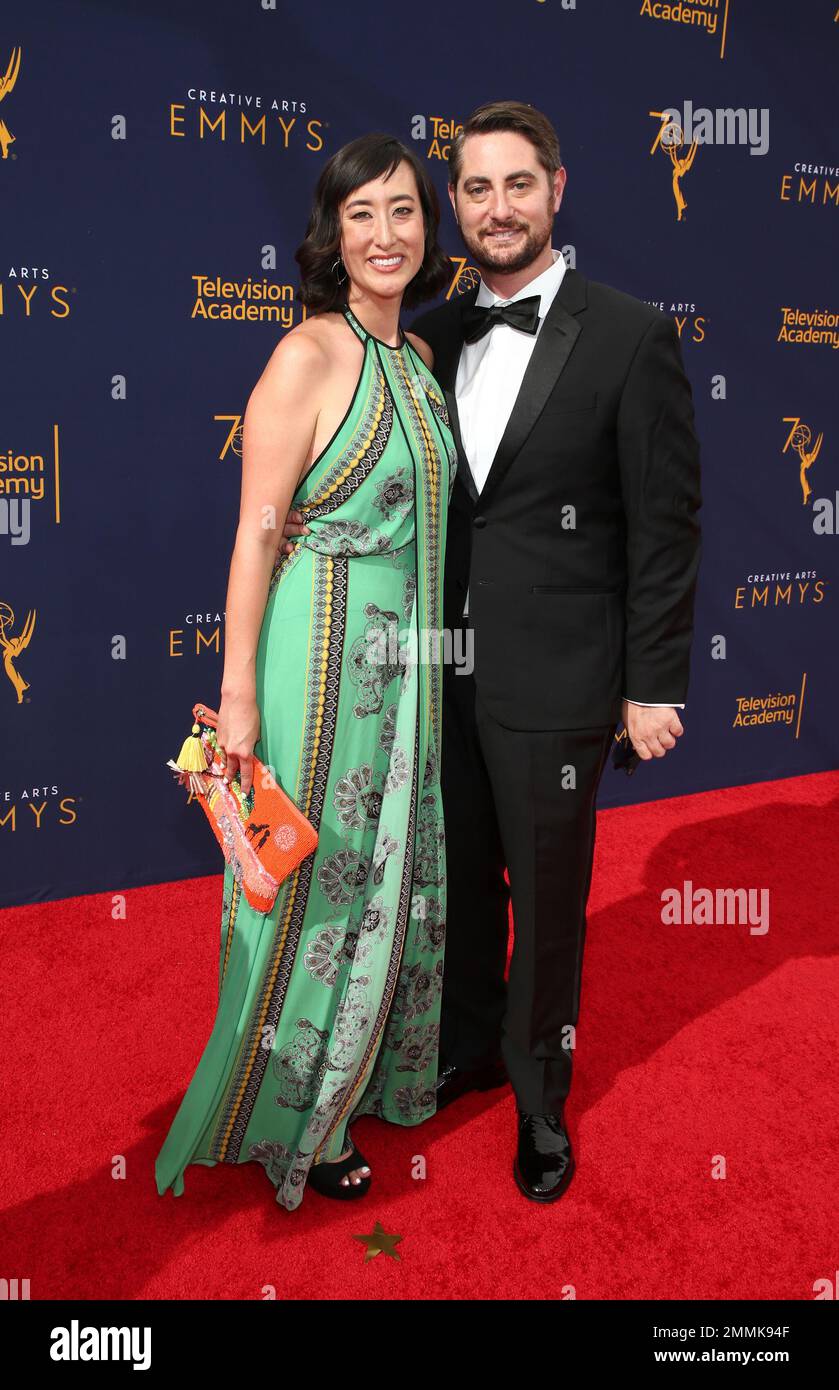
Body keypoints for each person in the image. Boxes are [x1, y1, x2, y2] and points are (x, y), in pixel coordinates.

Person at [282, 98, 703, 1204]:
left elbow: (665, 526)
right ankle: (462, 1040)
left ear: (555, 191)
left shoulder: (629, 333)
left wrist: (650, 682)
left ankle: (539, 1097)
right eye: (473, 188)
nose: (495, 207)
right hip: (432, 675)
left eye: (517, 184)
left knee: (549, 899)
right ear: (453, 207)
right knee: (452, 886)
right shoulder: (435, 335)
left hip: (560, 683)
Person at [155, 133, 457, 1210]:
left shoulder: (417, 363)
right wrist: (238, 695)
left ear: (430, 230)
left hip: (405, 663)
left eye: (405, 211)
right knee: (317, 879)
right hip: (318, 656)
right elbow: (256, 535)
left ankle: (355, 1071)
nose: (385, 234)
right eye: (362, 213)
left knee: (388, 872)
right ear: (332, 235)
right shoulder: (307, 355)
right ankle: (297, 1117)